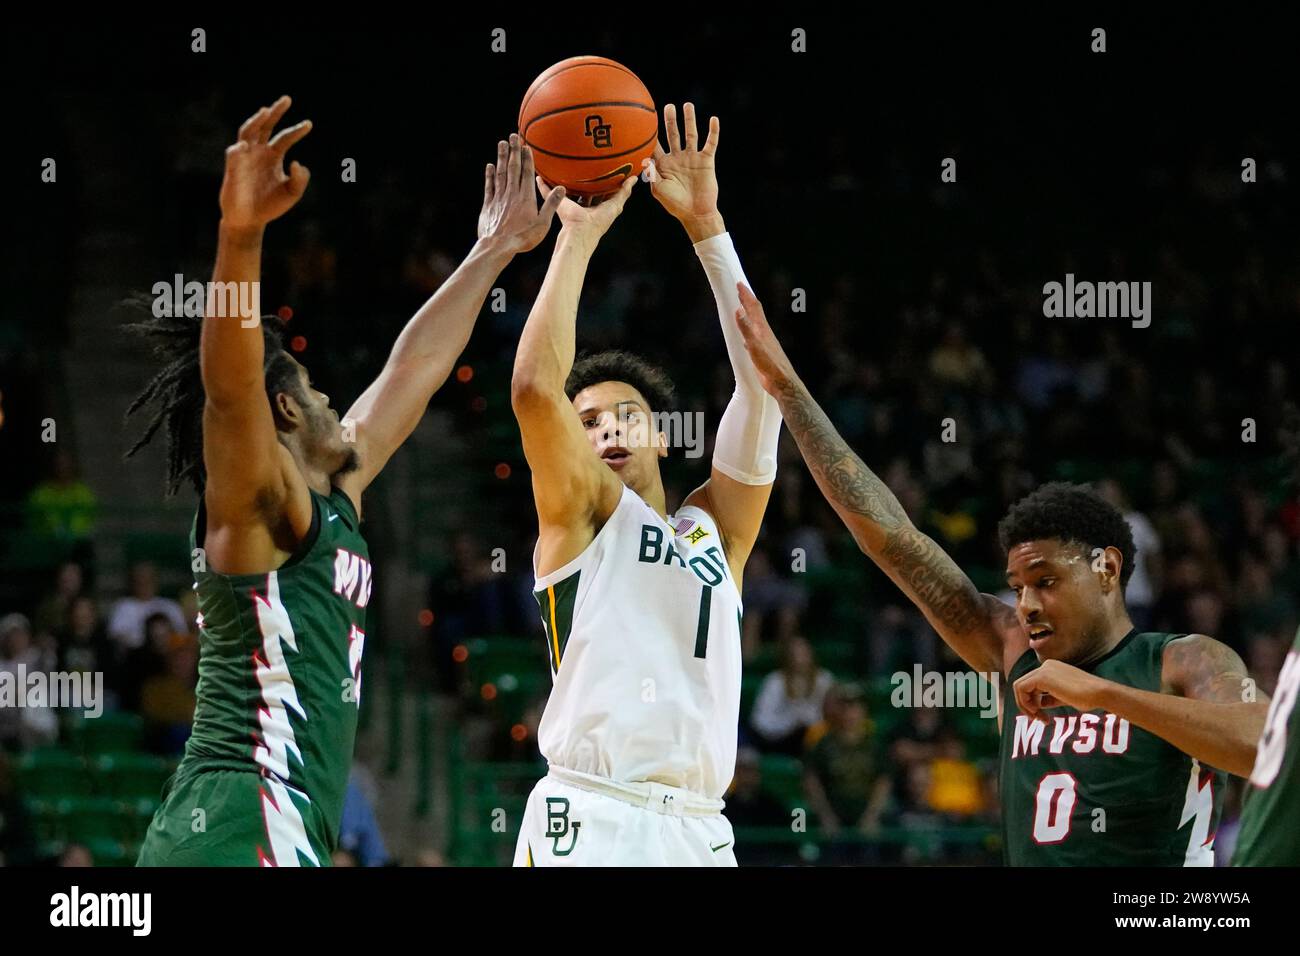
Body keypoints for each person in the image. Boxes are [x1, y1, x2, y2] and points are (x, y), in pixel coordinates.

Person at [131, 97, 562, 866]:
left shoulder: (333, 498)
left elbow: (413, 369)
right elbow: (231, 395)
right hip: (237, 818)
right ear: (288, 409)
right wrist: (241, 233)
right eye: (319, 388)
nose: (338, 399)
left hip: (282, 817)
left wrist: (492, 252)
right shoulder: (263, 508)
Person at [731, 283, 1270, 865]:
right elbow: (890, 538)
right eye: (1017, 587)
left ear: (1107, 568)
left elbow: (1264, 747)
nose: (1028, 603)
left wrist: (1104, 695)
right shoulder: (1011, 645)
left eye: (1046, 581)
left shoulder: (1184, 660)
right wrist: (787, 388)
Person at [510, 104, 782, 866]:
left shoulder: (715, 534)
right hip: (592, 816)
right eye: (587, 423)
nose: (605, 432)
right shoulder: (581, 519)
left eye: (624, 416)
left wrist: (707, 226)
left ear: (661, 434)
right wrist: (579, 234)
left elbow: (764, 389)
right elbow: (534, 388)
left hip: (699, 828)